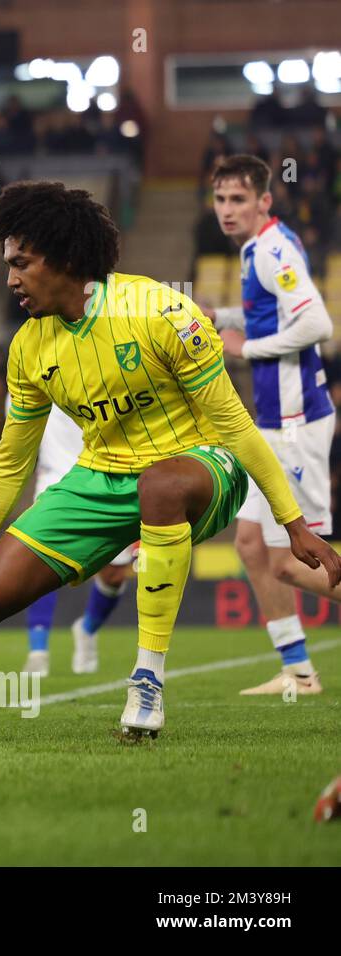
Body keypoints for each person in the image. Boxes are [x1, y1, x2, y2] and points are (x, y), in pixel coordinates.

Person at [0, 181, 339, 745]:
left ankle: (147, 679)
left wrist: (293, 523)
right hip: (100, 476)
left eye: (22, 263)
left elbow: (234, 424)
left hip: (202, 465)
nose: (10, 278)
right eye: (8, 264)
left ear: (63, 258)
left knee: (159, 485)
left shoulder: (160, 311)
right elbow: (11, 463)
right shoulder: (28, 347)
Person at [205, 154, 335, 696]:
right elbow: (274, 313)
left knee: (286, 561)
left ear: (264, 200)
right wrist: (227, 319)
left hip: (295, 421)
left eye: (239, 200)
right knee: (253, 545)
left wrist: (246, 347)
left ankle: (300, 670)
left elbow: (317, 322)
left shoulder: (274, 249)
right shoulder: (260, 248)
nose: (228, 210)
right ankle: (299, 671)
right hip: (274, 421)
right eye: (220, 199)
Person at [19, 401, 133, 677]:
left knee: (115, 574)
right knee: (39, 563)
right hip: (56, 478)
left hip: (107, 473)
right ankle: (38, 651)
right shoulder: (27, 376)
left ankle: (87, 629)